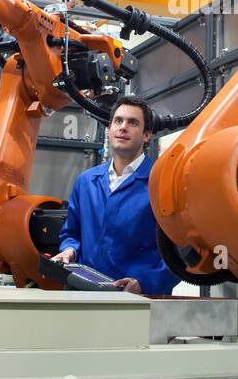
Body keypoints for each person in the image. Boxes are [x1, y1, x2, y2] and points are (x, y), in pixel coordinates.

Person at [53, 96, 177, 295]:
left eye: (132, 123)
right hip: (84, 295)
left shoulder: (163, 184)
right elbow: (71, 233)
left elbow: (180, 254)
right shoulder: (86, 182)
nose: (123, 127)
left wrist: (144, 283)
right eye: (118, 121)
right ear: (109, 129)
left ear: (146, 135)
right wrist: (69, 250)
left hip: (138, 302)